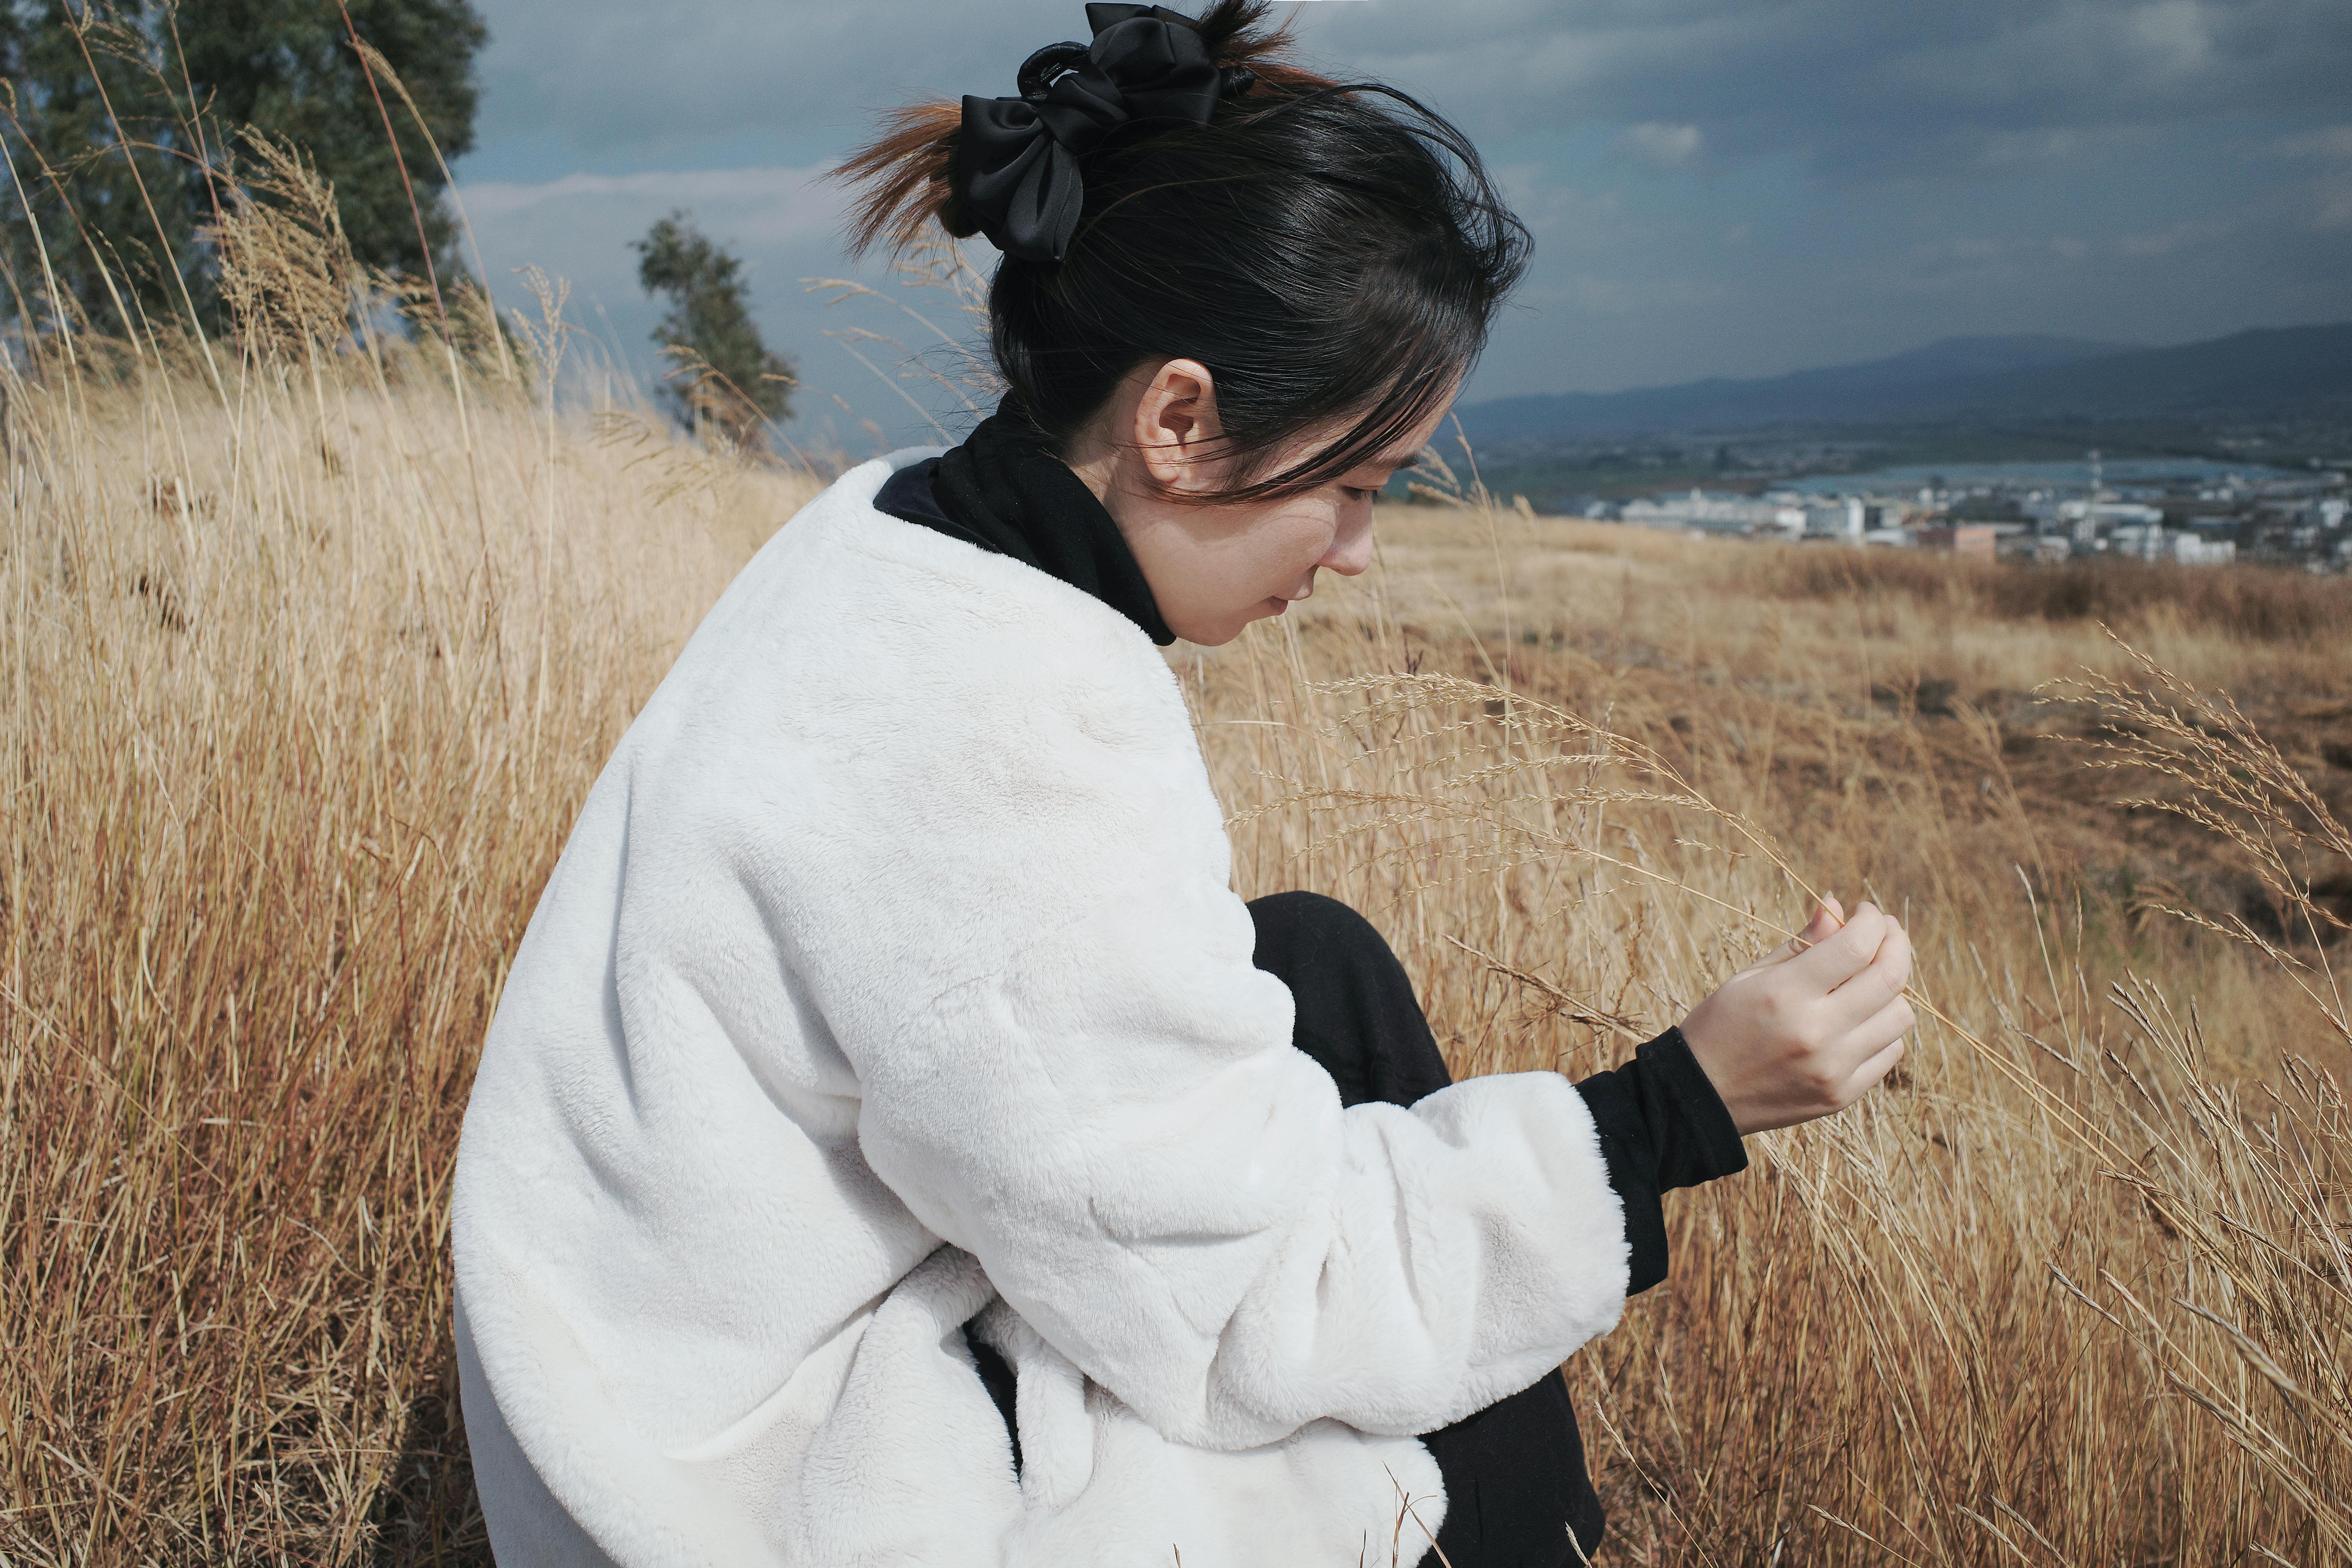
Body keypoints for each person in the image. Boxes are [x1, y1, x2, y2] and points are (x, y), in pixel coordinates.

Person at [448, 4, 1915, 1564]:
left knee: (1317, 965)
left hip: (645, 1375)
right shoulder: (1004, 740)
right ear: (1179, 419)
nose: (1358, 554)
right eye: (1354, 488)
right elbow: (1258, 1310)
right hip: (748, 1492)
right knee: (1415, 1399)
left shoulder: (896, 533)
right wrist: (1675, 1107)